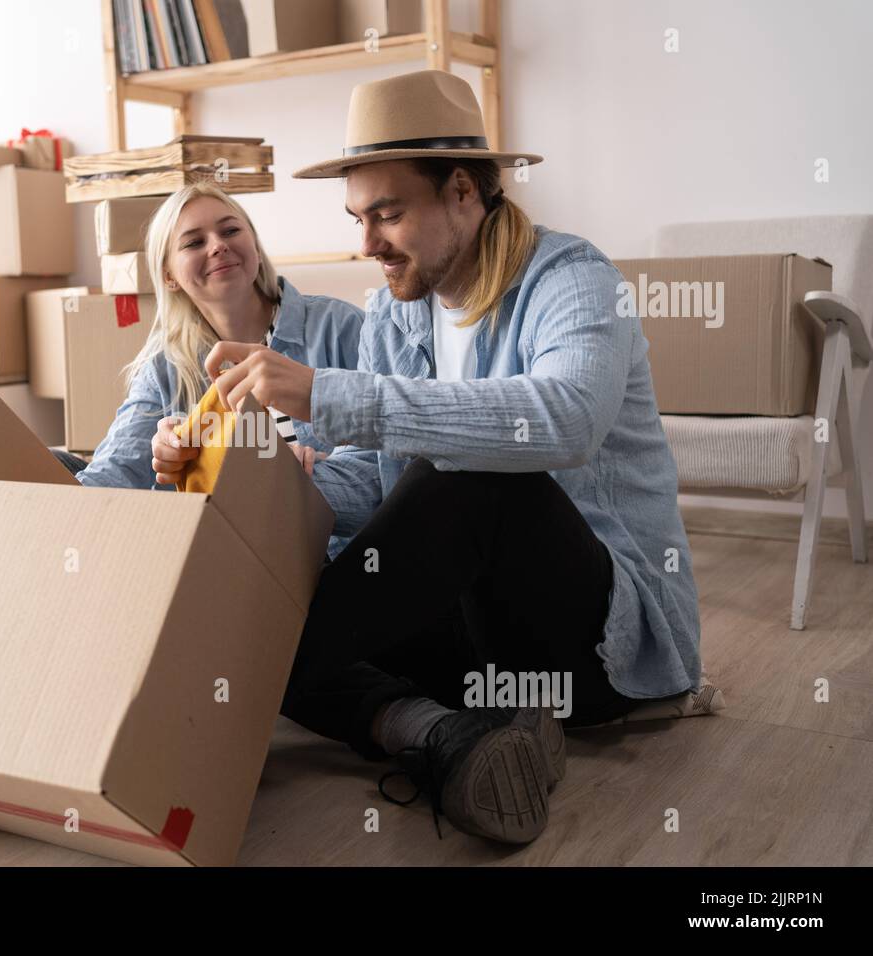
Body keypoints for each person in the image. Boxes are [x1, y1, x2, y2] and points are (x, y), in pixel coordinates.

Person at [151, 70, 702, 846]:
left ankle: (192, 701)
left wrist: (327, 395)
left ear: (464, 193)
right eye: (358, 218)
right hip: (482, 645)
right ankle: (451, 737)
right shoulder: (393, 313)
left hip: (599, 649)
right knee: (275, 599)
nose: (367, 244)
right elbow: (378, 489)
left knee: (470, 469)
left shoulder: (574, 281)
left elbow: (563, 421)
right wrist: (256, 479)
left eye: (388, 214)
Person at [52, 182, 363, 488]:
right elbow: (116, 469)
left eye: (230, 231)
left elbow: (378, 465)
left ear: (254, 244)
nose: (218, 246)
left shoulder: (338, 326)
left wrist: (309, 473)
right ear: (169, 276)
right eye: (194, 242)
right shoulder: (165, 367)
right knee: (57, 461)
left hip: (325, 534)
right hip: (217, 537)